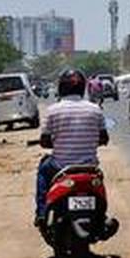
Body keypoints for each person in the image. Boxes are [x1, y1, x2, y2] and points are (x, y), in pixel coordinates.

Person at [35, 69, 108, 226]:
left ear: (61, 88)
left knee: (43, 168)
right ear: (83, 87)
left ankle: (41, 212)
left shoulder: (53, 110)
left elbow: (44, 141)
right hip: (89, 167)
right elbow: (104, 138)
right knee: (100, 180)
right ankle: (102, 216)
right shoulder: (95, 109)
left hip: (60, 167)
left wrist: (59, 142)